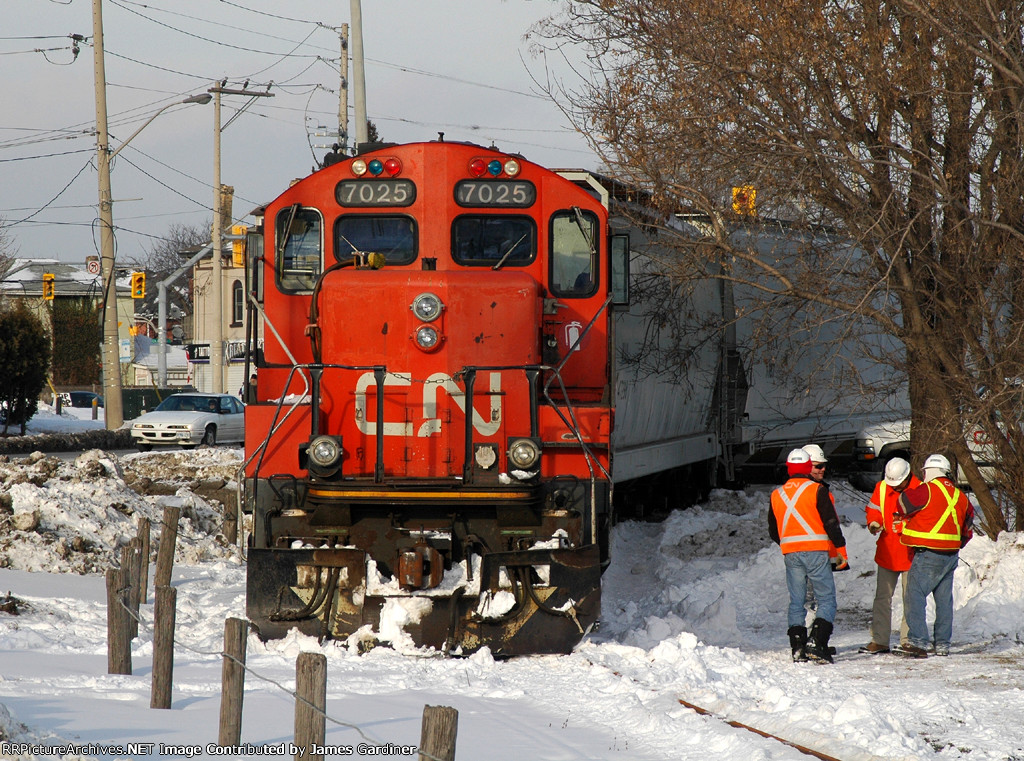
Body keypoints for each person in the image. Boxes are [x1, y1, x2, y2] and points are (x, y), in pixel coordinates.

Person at [769, 448, 849, 663]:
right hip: (816, 552)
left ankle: (798, 648)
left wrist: (790, 544)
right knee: (826, 599)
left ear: (788, 469)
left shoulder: (777, 495)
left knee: (797, 601)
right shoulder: (816, 490)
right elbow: (831, 523)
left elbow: (773, 531)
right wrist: (841, 549)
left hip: (791, 554)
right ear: (807, 467)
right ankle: (817, 643)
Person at [894, 453, 974, 658]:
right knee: (944, 601)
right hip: (950, 556)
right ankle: (942, 644)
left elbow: (903, 504)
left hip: (928, 555)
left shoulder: (927, 490)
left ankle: (918, 642)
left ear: (929, 471)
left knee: (914, 596)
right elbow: (968, 527)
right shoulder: (961, 496)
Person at [859, 457, 920, 654]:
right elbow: (873, 509)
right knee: (882, 598)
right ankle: (880, 640)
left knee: (910, 599)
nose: (895, 486)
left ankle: (909, 640)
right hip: (887, 551)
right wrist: (873, 522)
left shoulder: (921, 489)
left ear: (907, 476)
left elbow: (927, 519)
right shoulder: (882, 487)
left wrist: (908, 528)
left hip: (912, 553)